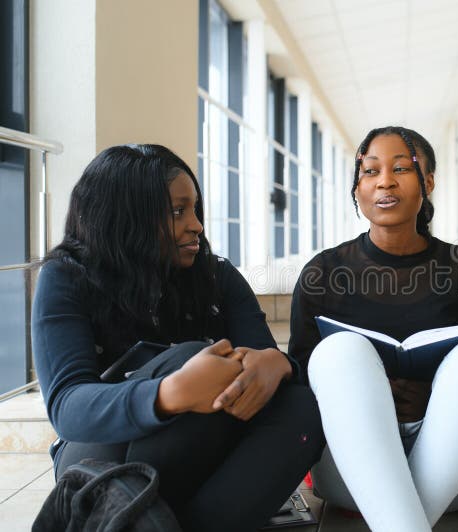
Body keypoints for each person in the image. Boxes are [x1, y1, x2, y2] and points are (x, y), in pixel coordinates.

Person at [32, 144, 324, 531]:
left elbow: (262, 361)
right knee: (188, 356)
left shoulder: (216, 276)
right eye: (177, 212)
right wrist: (169, 394)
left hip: (203, 464)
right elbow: (68, 407)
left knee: (301, 402)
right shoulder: (66, 277)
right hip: (100, 463)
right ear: (125, 218)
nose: (197, 225)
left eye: (194, 209)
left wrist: (277, 363)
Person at [288, 126, 458, 531]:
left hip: (454, 467)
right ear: (357, 188)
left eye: (401, 169)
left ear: (428, 183)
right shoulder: (322, 273)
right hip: (350, 468)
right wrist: (370, 395)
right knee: (338, 353)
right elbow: (303, 378)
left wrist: (430, 395)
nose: (385, 182)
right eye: (370, 171)